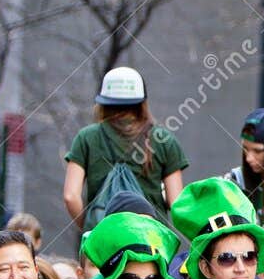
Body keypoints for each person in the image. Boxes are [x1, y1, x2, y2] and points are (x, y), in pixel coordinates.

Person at [62, 67, 189, 226]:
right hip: (151, 234)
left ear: (103, 102)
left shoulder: (86, 137)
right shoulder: (163, 139)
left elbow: (70, 196)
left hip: (105, 235)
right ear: (142, 103)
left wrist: (91, 227)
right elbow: (176, 203)